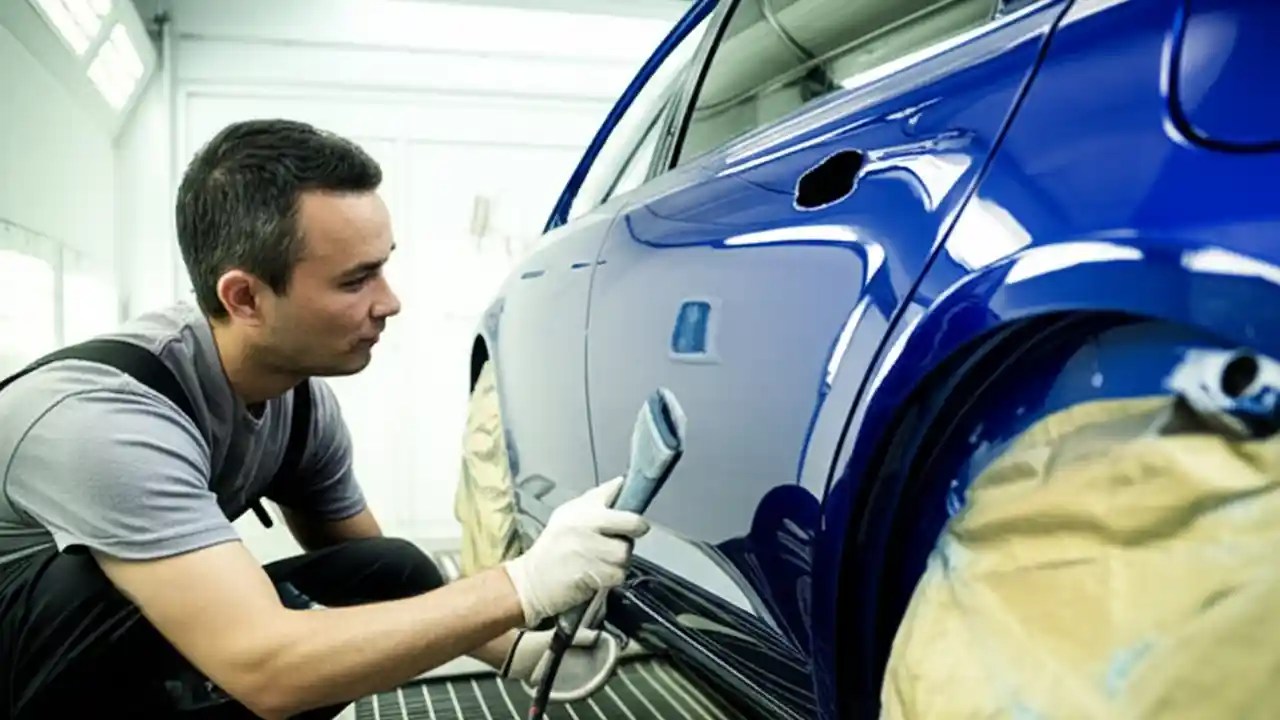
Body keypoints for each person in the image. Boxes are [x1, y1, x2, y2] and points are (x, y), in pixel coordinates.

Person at [0, 119, 646, 719]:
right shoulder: (102, 423)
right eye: (355, 281)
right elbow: (265, 666)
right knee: (102, 588)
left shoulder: (299, 402)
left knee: (388, 568)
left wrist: (515, 647)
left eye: (383, 266)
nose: (389, 302)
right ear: (245, 296)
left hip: (101, 656)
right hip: (29, 666)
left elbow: (374, 573)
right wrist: (523, 584)